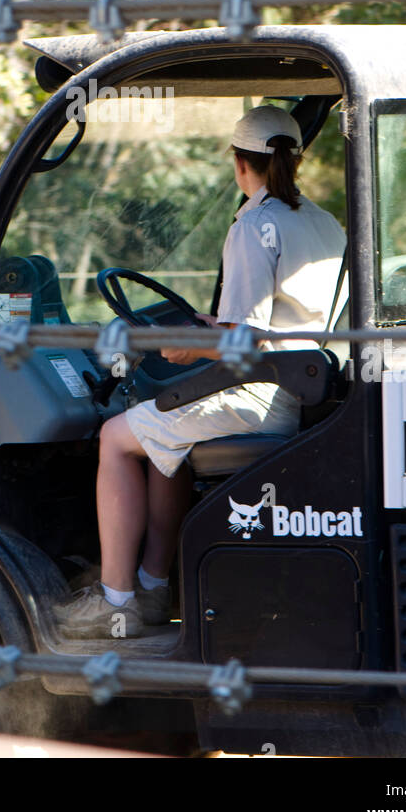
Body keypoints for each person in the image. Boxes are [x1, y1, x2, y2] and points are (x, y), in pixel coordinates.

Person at [54, 104, 347, 638]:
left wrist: (191, 348)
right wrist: (212, 325)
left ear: (239, 163)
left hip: (255, 398)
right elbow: (271, 322)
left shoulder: (254, 223)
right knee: (168, 440)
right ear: (296, 160)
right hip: (299, 388)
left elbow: (241, 343)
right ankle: (153, 585)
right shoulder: (323, 223)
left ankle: (115, 600)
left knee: (117, 437)